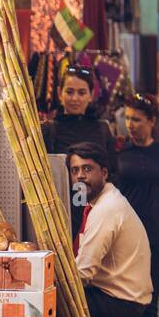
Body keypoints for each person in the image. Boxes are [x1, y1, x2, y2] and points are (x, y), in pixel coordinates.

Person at [68, 143, 152, 317]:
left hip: (122, 303)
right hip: (119, 296)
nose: (80, 176)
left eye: (87, 168)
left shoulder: (106, 209)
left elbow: (83, 273)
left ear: (104, 173)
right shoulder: (103, 201)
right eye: (75, 170)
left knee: (51, 305)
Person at [116, 93, 159, 317]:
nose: (130, 125)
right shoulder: (120, 151)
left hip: (155, 230)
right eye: (128, 118)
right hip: (124, 233)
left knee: (151, 296)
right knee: (126, 294)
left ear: (152, 121)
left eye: (137, 120)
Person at [42, 64, 119, 237]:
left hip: (98, 217)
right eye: (69, 92)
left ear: (91, 95)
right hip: (61, 219)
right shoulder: (49, 130)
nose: (75, 98)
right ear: (60, 93)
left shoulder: (102, 129)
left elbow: (113, 174)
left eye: (81, 92)